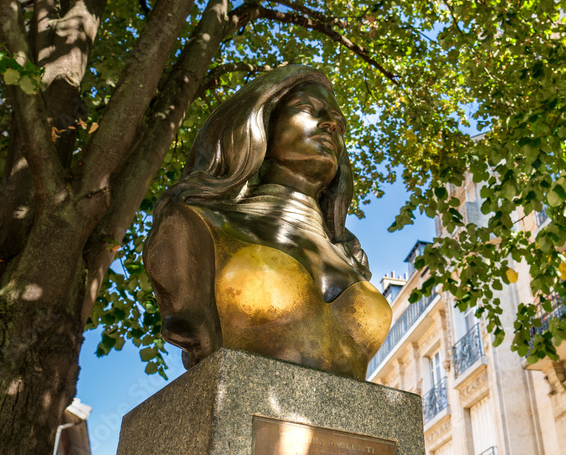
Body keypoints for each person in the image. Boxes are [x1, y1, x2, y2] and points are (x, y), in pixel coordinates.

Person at [144, 65, 392, 379]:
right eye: (307, 109)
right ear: (262, 121)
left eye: (339, 124)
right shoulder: (194, 223)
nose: (331, 124)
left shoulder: (351, 257)